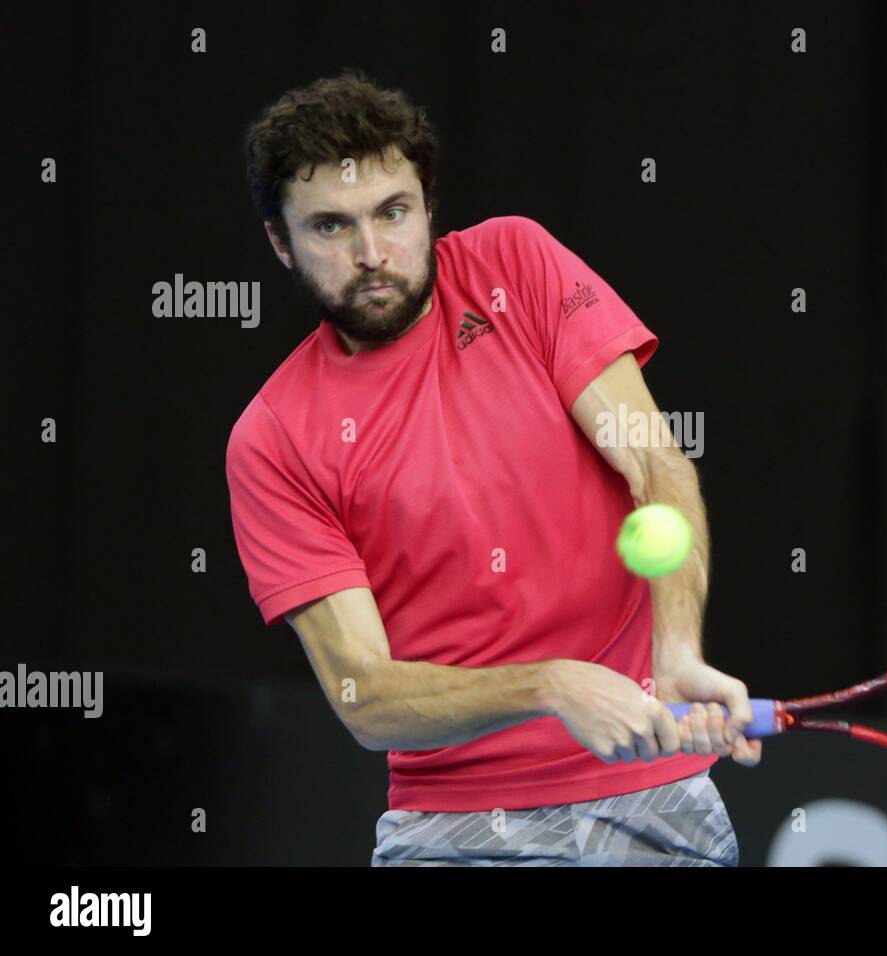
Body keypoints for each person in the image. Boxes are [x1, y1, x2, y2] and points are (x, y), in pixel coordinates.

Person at [226, 70, 760, 866]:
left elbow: (654, 463)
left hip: (651, 795)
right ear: (280, 242)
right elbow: (364, 696)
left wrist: (677, 650)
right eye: (331, 227)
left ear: (429, 207)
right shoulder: (273, 439)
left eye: (393, 213)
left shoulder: (520, 264)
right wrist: (551, 686)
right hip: (455, 828)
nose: (372, 254)